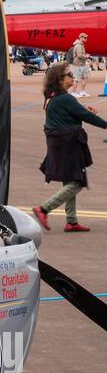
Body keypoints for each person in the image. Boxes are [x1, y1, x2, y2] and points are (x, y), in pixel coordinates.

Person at [33, 61, 107, 234]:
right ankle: (44, 209)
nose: (73, 78)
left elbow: (72, 112)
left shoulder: (53, 97)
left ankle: (71, 221)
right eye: (70, 75)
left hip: (58, 142)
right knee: (77, 182)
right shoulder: (66, 98)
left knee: (69, 178)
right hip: (68, 143)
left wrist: (83, 111)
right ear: (60, 79)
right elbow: (85, 116)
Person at [71, 33, 90, 97]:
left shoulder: (81, 44)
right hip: (78, 64)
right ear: (81, 38)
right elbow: (79, 55)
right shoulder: (78, 45)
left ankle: (82, 91)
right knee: (76, 79)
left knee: (84, 78)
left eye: (86, 37)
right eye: (85, 38)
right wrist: (86, 56)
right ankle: (73, 92)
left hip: (82, 63)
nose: (86, 39)